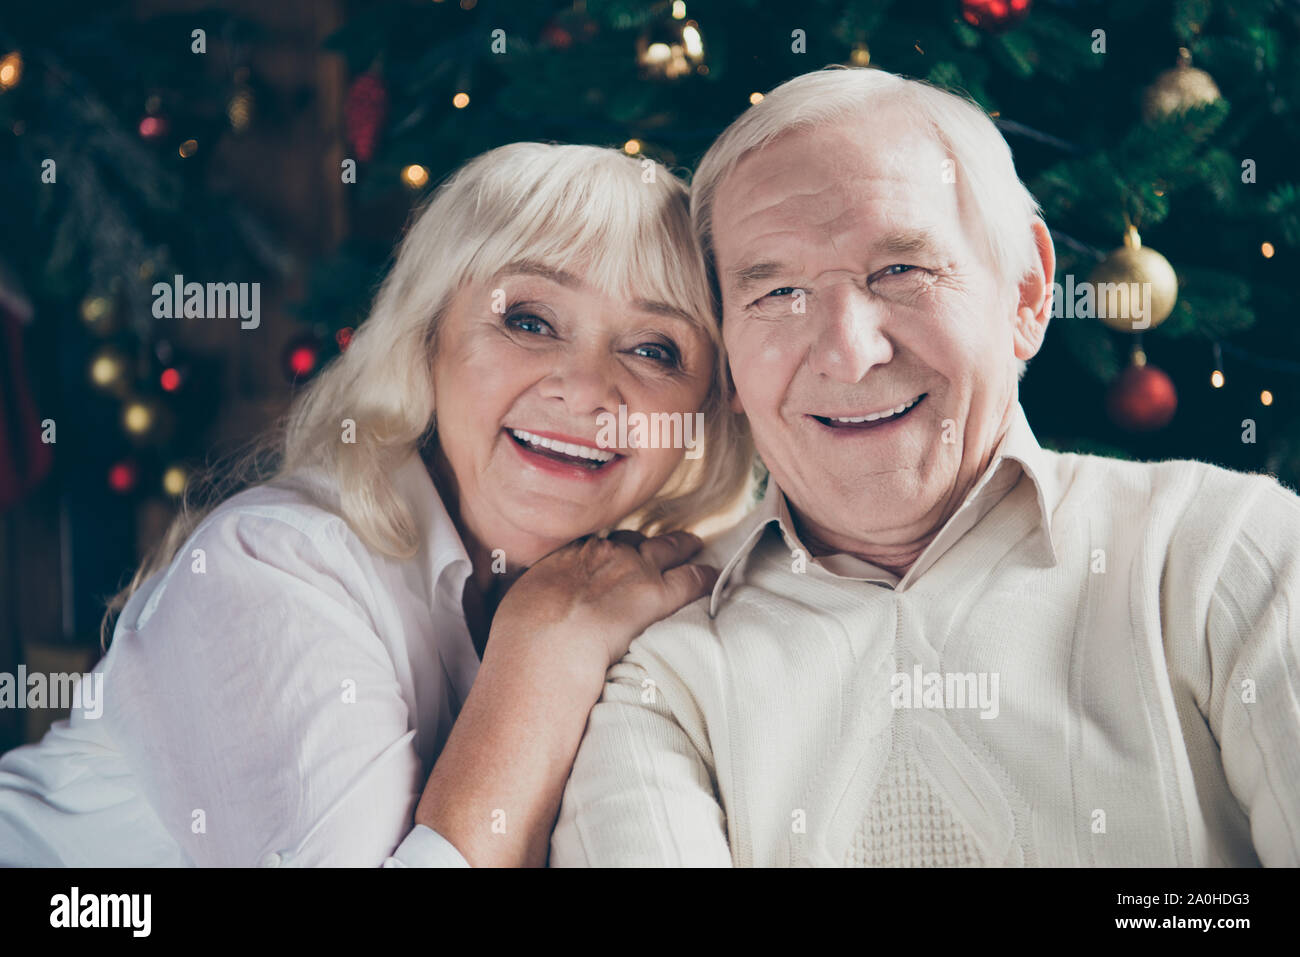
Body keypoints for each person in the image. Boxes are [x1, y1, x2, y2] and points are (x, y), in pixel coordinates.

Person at [549, 67, 1300, 867]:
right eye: (778, 293)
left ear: (1027, 293)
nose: (848, 352)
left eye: (899, 271)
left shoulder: (1231, 550)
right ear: (726, 354)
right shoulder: (660, 663)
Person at [0, 142, 753, 867]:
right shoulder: (273, 563)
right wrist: (539, 654)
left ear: (704, 409)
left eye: (655, 349)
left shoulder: (630, 589)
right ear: (427, 337)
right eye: (529, 319)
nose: (587, 388)